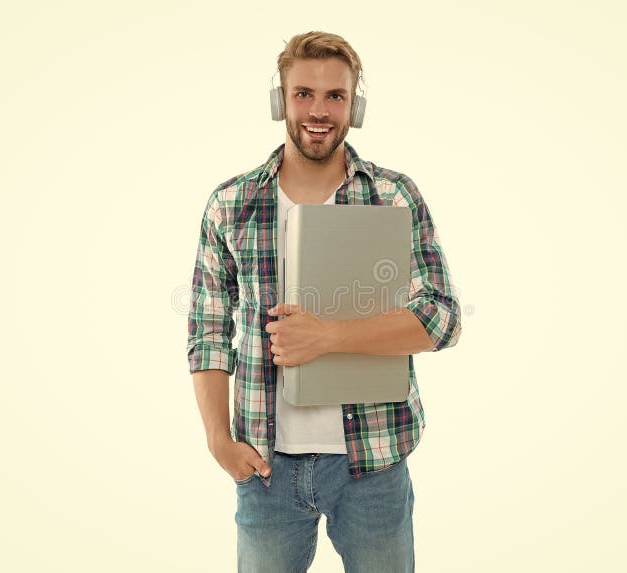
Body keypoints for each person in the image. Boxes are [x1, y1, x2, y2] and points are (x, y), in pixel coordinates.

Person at [187, 31, 461, 572]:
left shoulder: (393, 196)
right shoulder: (231, 203)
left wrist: (329, 337)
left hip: (374, 464)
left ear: (354, 107)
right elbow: (208, 331)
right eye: (303, 94)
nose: (319, 111)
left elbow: (442, 318)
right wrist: (218, 440)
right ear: (281, 100)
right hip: (265, 469)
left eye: (335, 96)